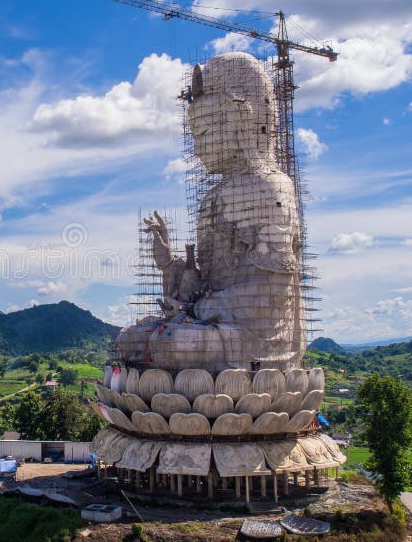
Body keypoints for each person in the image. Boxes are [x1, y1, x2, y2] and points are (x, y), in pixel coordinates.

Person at [118, 52, 305, 371]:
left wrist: (204, 306)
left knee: (171, 344)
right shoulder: (211, 199)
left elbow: (273, 294)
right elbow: (204, 281)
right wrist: (171, 266)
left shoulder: (271, 187)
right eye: (194, 137)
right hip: (210, 323)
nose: (198, 148)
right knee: (130, 340)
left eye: (203, 134)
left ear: (240, 117)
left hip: (253, 337)